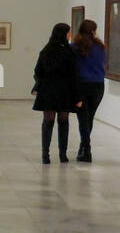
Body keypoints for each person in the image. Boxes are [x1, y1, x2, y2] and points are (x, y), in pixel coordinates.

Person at [32, 23, 83, 164]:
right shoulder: (69, 52)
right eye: (68, 32)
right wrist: (77, 96)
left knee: (48, 121)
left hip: (48, 90)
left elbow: (37, 71)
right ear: (64, 34)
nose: (70, 35)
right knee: (63, 121)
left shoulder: (46, 51)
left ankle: (45, 155)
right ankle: (62, 154)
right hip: (64, 91)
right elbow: (74, 75)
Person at [71, 19, 108, 163]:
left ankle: (86, 149)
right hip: (98, 86)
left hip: (81, 85)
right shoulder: (100, 47)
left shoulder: (74, 47)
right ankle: (84, 148)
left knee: (83, 118)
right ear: (93, 31)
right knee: (89, 117)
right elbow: (103, 64)